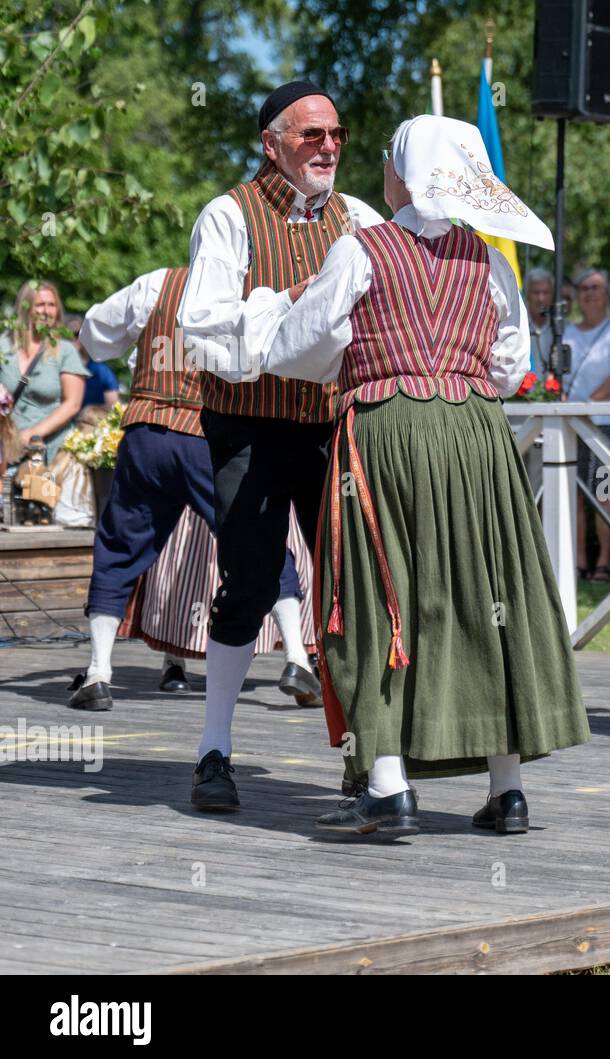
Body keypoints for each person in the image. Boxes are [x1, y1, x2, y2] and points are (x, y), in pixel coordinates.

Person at [220, 114, 588, 837]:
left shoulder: (361, 250)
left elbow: (302, 345)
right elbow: (511, 367)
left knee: (377, 594)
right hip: (477, 433)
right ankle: (507, 789)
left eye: (387, 159)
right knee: (486, 593)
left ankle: (389, 786)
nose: (380, 171)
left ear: (407, 173)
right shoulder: (488, 261)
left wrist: (267, 310)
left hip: (385, 432)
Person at [178, 80, 384, 812]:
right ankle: (213, 750)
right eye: (311, 136)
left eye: (336, 134)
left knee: (351, 584)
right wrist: (287, 310)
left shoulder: (359, 218)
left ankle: (368, 758)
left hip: (333, 423)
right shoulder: (228, 216)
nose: (329, 147)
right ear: (272, 143)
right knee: (252, 580)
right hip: (249, 422)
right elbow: (200, 328)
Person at [68, 267, 315, 712]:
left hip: (146, 432)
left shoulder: (157, 283)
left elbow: (95, 332)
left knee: (118, 546)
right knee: (262, 542)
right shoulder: (256, 291)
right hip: (207, 435)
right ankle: (297, 658)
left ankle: (99, 671)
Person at [563, 268, 610, 582]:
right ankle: (578, 561)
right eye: (583, 288)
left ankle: (605, 561)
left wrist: (585, 406)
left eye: (595, 287)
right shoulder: (565, 331)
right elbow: (558, 374)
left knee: (604, 493)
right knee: (575, 494)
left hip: (609, 421)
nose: (589, 292)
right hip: (570, 423)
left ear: (608, 294)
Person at [0, 281, 89, 464]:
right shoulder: (3, 345)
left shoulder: (65, 350)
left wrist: (31, 435)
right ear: (25, 307)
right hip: (5, 452)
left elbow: (72, 404)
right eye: (40, 305)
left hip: (48, 452)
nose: (46, 311)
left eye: (52, 305)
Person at [64, 314, 120, 410]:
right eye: (67, 335)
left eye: (77, 334)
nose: (72, 339)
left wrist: (92, 411)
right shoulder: (53, 367)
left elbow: (114, 406)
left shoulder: (100, 370)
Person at [523, 267, 555, 375]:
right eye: (536, 293)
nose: (541, 298)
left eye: (545, 292)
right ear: (527, 295)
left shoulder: (562, 327)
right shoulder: (517, 325)